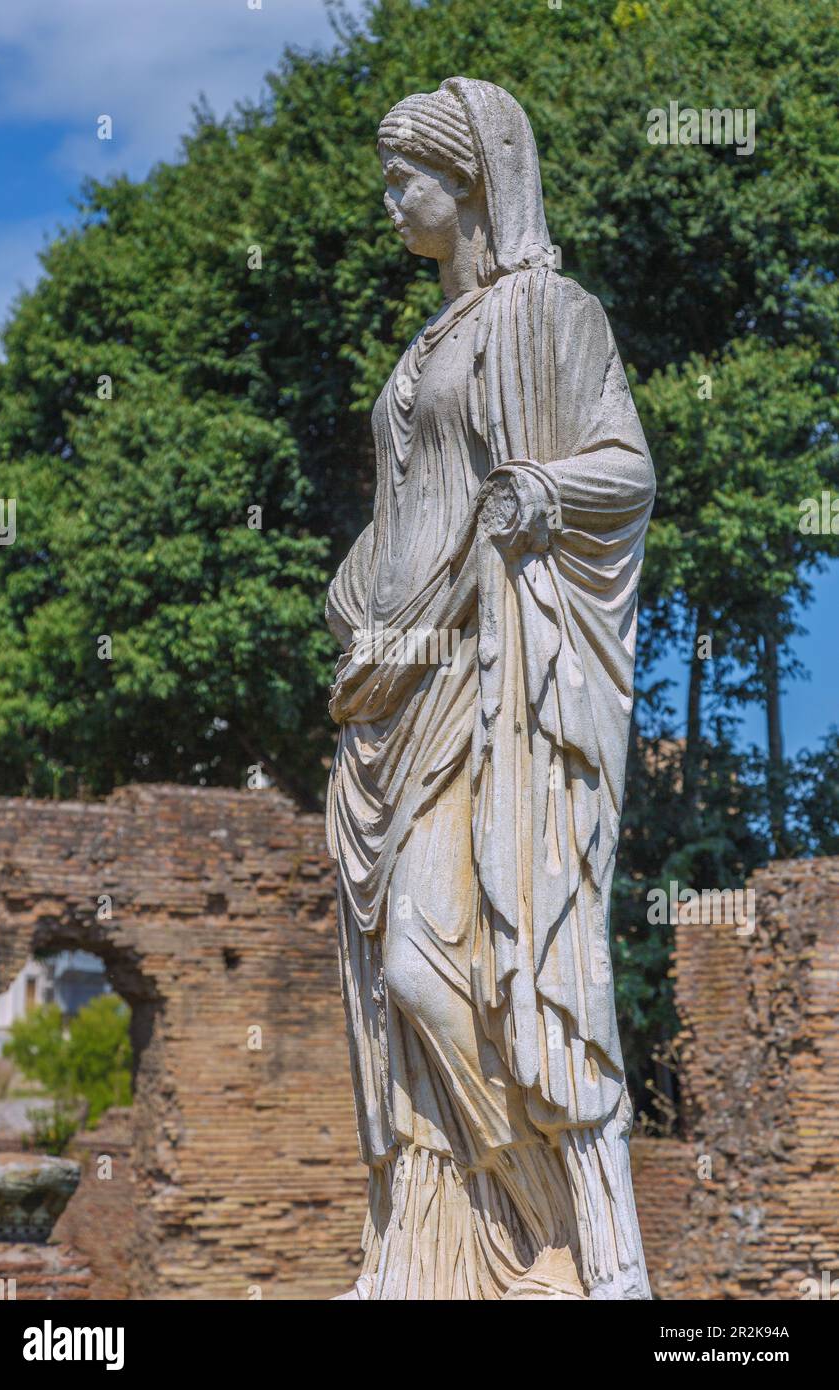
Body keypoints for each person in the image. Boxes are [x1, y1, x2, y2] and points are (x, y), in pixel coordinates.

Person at [326, 77, 654, 1300]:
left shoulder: (550, 314)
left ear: (467, 181)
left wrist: (544, 496)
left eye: (404, 173)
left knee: (455, 961)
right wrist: (356, 587)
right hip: (391, 690)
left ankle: (571, 1233)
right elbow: (403, 507)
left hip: (490, 673)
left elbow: (622, 463)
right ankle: (434, 1252)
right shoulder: (418, 351)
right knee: (401, 992)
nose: (389, 196)